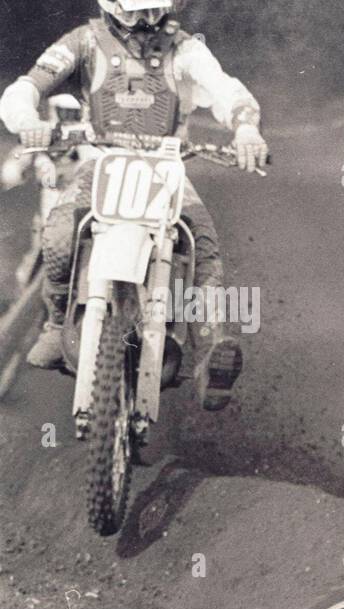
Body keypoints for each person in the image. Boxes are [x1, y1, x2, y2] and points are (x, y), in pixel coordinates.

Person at [0, 0, 267, 411]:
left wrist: (246, 126)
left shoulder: (185, 48)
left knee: (204, 244)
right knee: (58, 233)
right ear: (112, 7)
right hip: (99, 163)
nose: (145, 23)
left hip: (167, 170)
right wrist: (26, 120)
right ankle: (56, 324)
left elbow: (225, 88)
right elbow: (27, 85)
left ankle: (210, 348)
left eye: (153, 11)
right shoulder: (84, 42)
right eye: (136, 13)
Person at [1, 94, 85, 290]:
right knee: (38, 255)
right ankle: (27, 295)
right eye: (64, 113)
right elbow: (16, 163)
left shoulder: (85, 138)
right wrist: (17, 166)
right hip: (51, 205)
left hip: (79, 203)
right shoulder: (41, 137)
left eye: (72, 113)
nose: (68, 118)